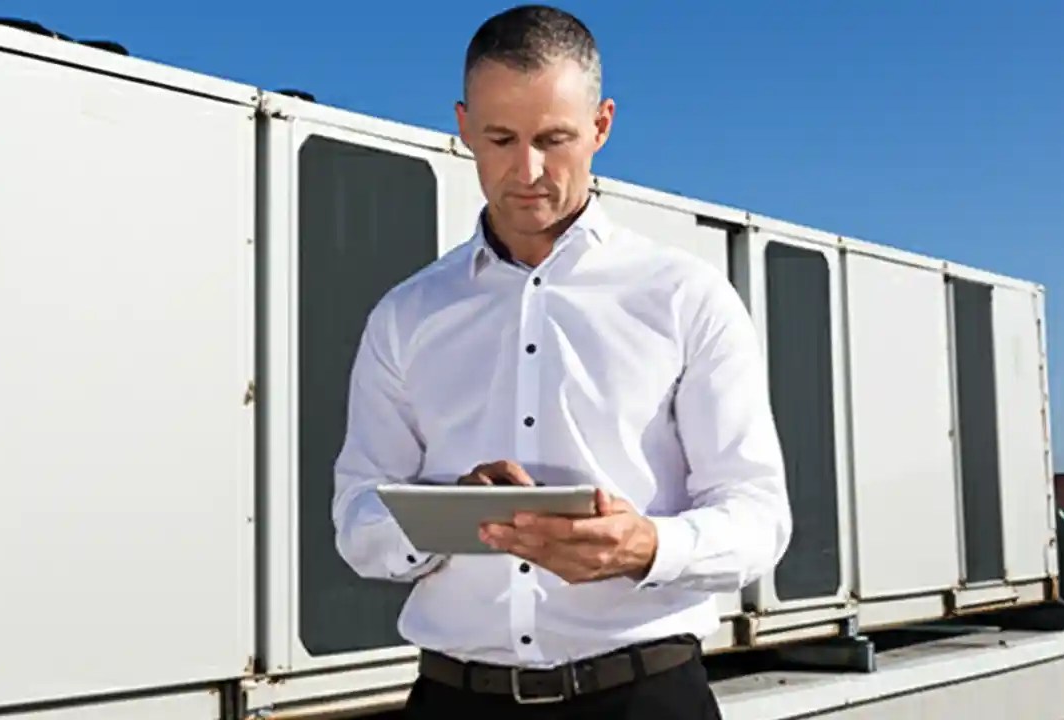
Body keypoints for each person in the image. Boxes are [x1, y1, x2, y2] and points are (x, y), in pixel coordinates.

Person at [331, 5, 792, 718]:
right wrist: (449, 512)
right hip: (454, 702)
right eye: (500, 138)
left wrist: (644, 545)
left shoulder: (686, 297)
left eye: (555, 138)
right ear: (462, 127)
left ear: (602, 126)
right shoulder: (405, 315)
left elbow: (759, 517)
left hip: (645, 699)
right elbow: (357, 519)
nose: (527, 171)